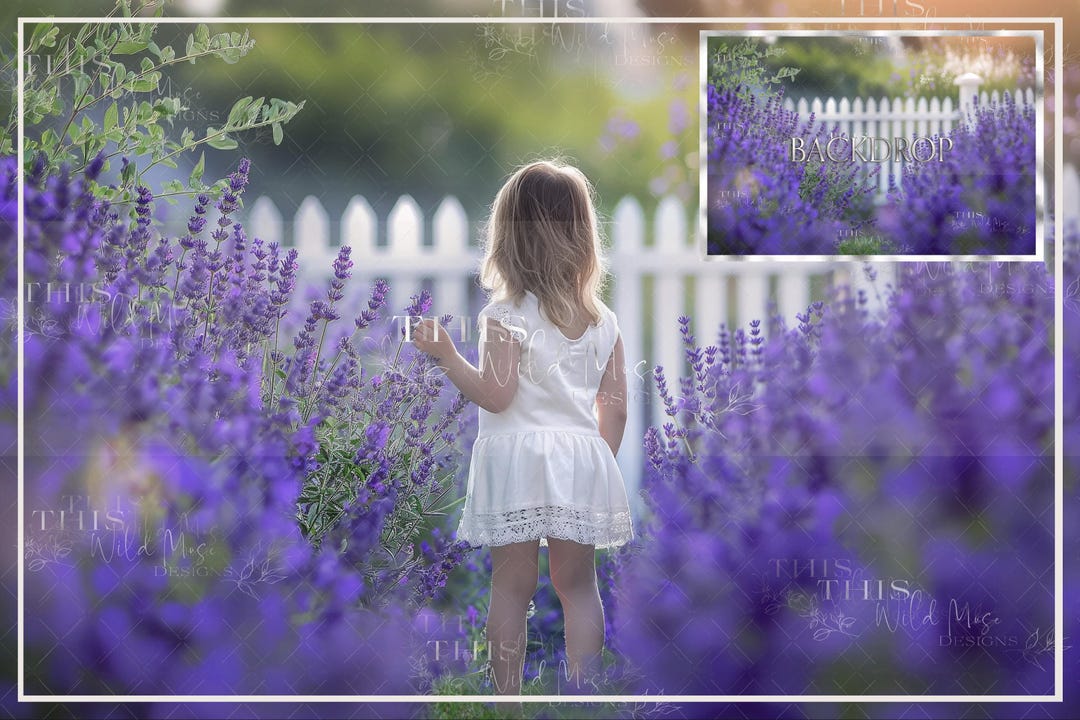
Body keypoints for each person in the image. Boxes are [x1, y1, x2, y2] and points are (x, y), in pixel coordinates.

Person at [412, 158, 634, 697]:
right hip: (579, 461)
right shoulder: (603, 321)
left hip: (518, 463)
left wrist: (447, 356)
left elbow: (496, 394)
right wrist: (591, 464)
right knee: (579, 587)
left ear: (508, 238)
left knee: (511, 587)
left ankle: (507, 701)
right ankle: (583, 696)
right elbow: (616, 409)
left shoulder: (505, 315)